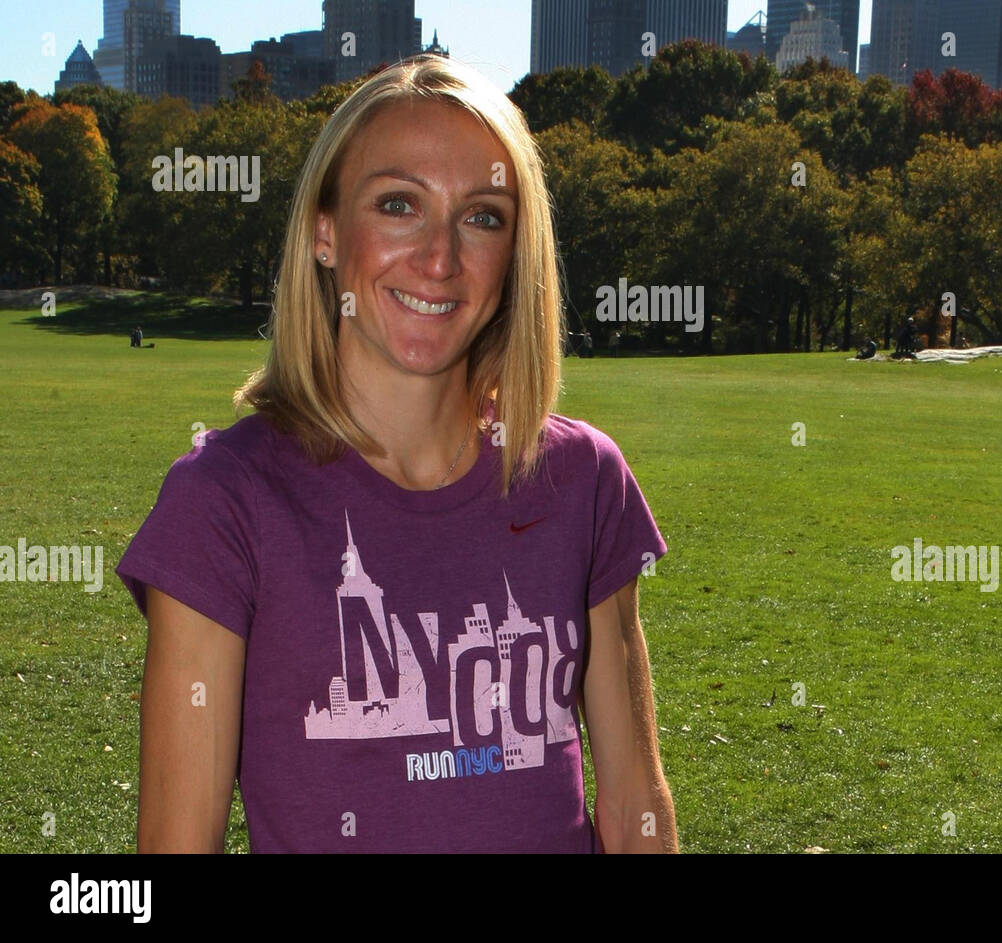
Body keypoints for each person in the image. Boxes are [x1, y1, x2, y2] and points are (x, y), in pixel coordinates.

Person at [115, 54, 676, 854]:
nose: (440, 257)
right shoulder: (224, 501)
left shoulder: (584, 479)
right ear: (324, 231)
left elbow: (633, 802)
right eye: (398, 204)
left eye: (483, 215)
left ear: (516, 254)